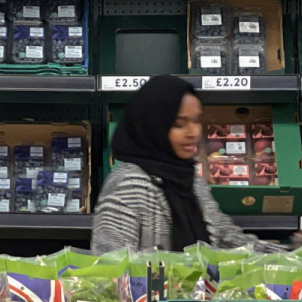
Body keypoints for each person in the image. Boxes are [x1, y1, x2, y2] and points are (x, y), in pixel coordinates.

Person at [90, 74, 253, 252]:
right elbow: (110, 266)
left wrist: (286, 255)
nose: (193, 132)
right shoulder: (128, 185)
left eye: (196, 121)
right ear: (154, 126)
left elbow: (231, 240)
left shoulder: (191, 181)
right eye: (179, 124)